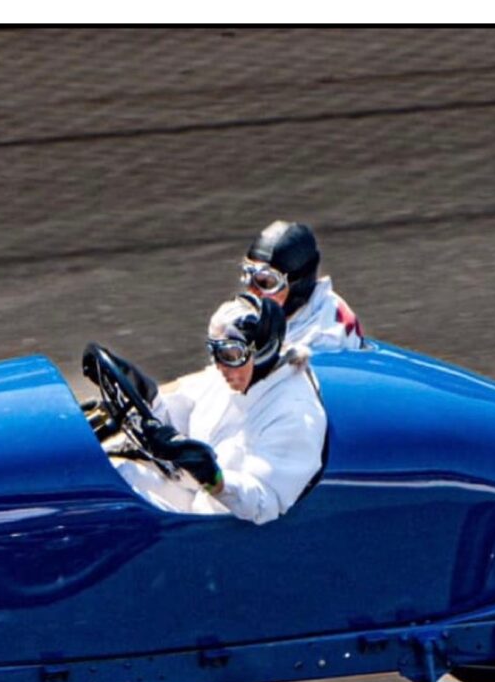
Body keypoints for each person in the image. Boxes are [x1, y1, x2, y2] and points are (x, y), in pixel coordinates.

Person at [112, 295, 328, 525]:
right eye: (214, 350)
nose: (218, 365)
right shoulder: (231, 377)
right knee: (115, 475)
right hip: (194, 494)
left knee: (117, 512)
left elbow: (265, 503)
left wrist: (214, 478)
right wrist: (150, 398)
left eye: (229, 354)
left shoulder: (293, 416)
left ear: (262, 351)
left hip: (218, 526)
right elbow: (184, 417)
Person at [240, 219, 368, 353]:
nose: (253, 291)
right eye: (248, 275)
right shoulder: (320, 304)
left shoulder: (322, 339)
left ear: (297, 284)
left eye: (267, 283)